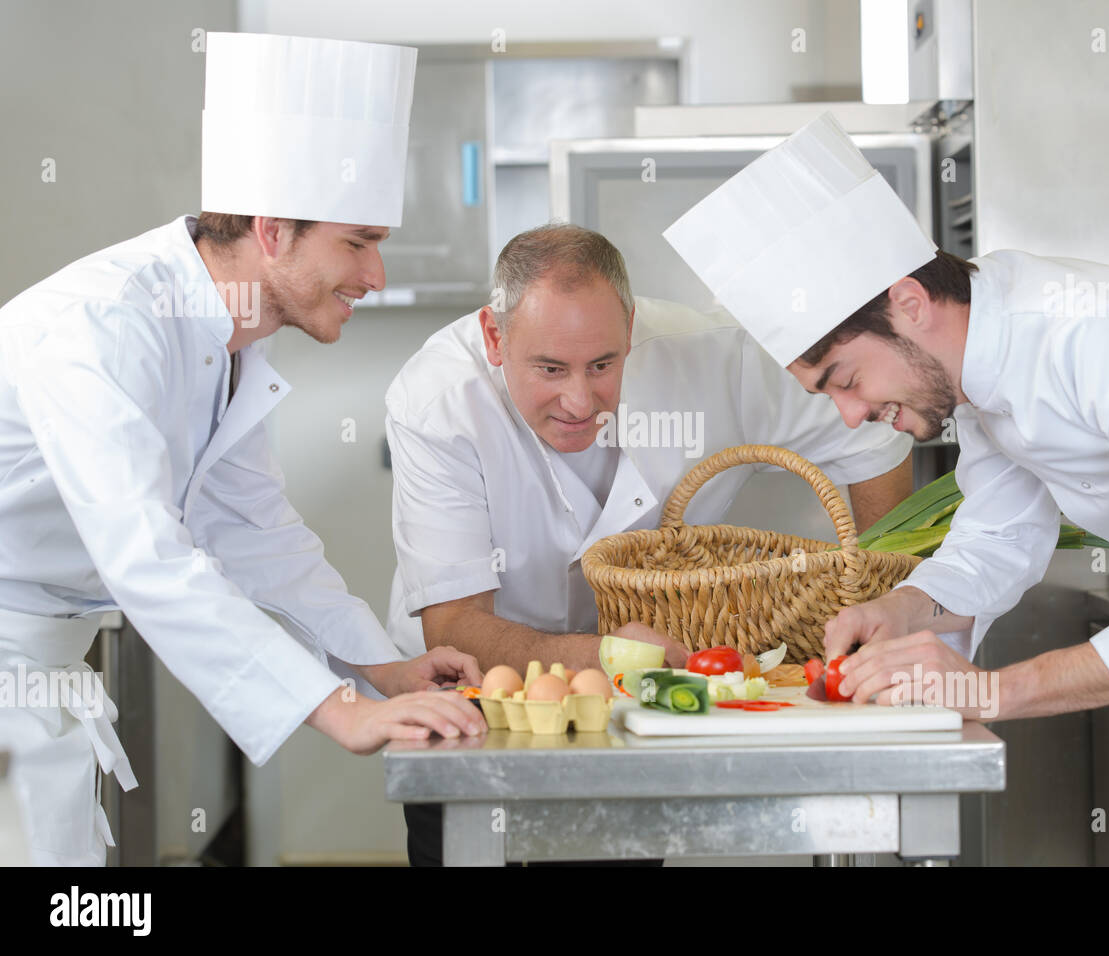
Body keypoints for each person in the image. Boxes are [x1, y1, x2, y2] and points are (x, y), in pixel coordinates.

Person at [664, 112, 1109, 866]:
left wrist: (991, 693)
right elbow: (1000, 536)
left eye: (846, 379)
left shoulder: (1104, 338)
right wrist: (902, 607)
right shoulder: (977, 373)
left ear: (908, 302)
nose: (851, 413)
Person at [0, 32, 485, 868]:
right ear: (271, 231)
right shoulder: (104, 326)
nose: (375, 273)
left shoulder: (229, 346)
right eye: (358, 241)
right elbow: (146, 557)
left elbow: (257, 535)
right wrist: (340, 710)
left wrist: (381, 672)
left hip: (38, 663)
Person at [386, 222, 916, 864]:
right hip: (473, 697)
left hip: (638, 708)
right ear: (495, 338)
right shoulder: (437, 401)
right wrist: (604, 654)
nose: (580, 400)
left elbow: (871, 441)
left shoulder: (718, 359)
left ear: (631, 327)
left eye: (603, 364)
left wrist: (888, 602)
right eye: (550, 368)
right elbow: (453, 623)